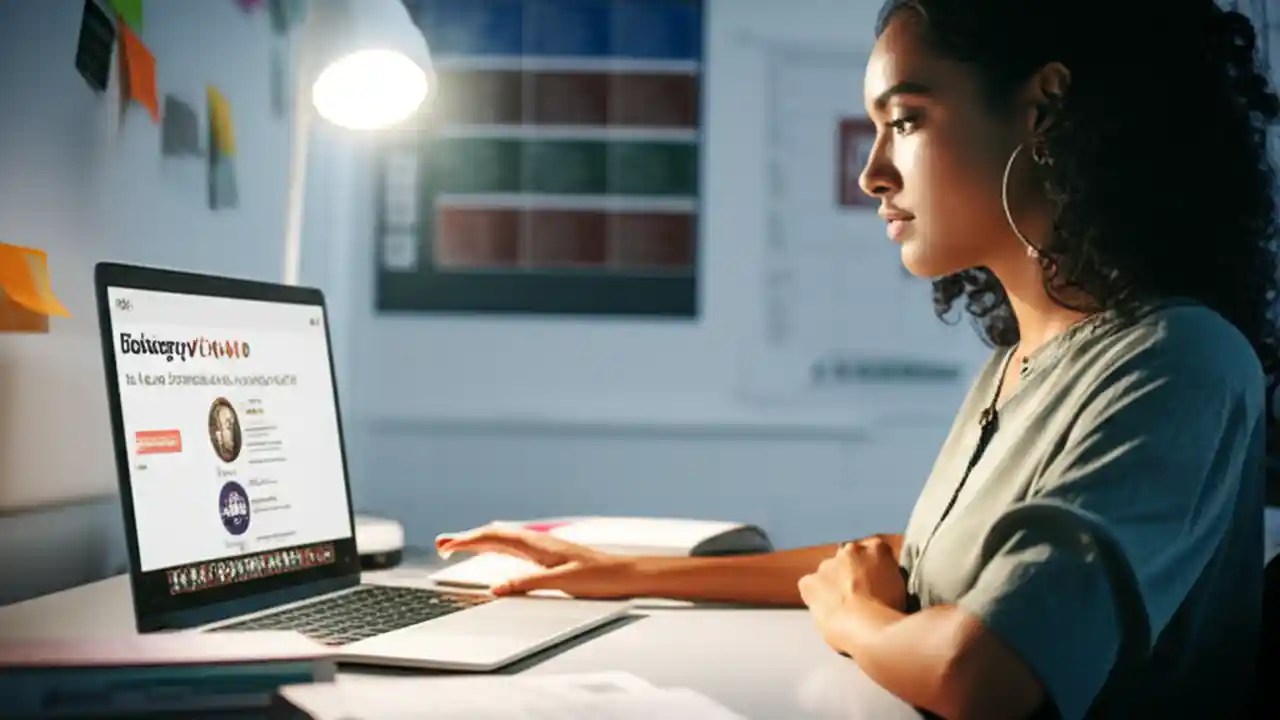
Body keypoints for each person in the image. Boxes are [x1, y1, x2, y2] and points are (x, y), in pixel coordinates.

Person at [436, 1, 1278, 717]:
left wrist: (853, 622)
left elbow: (982, 672)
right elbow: (922, 567)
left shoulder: (1178, 361)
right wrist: (619, 572)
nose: (872, 172)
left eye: (905, 120)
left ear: (1043, 112)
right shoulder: (1025, 363)